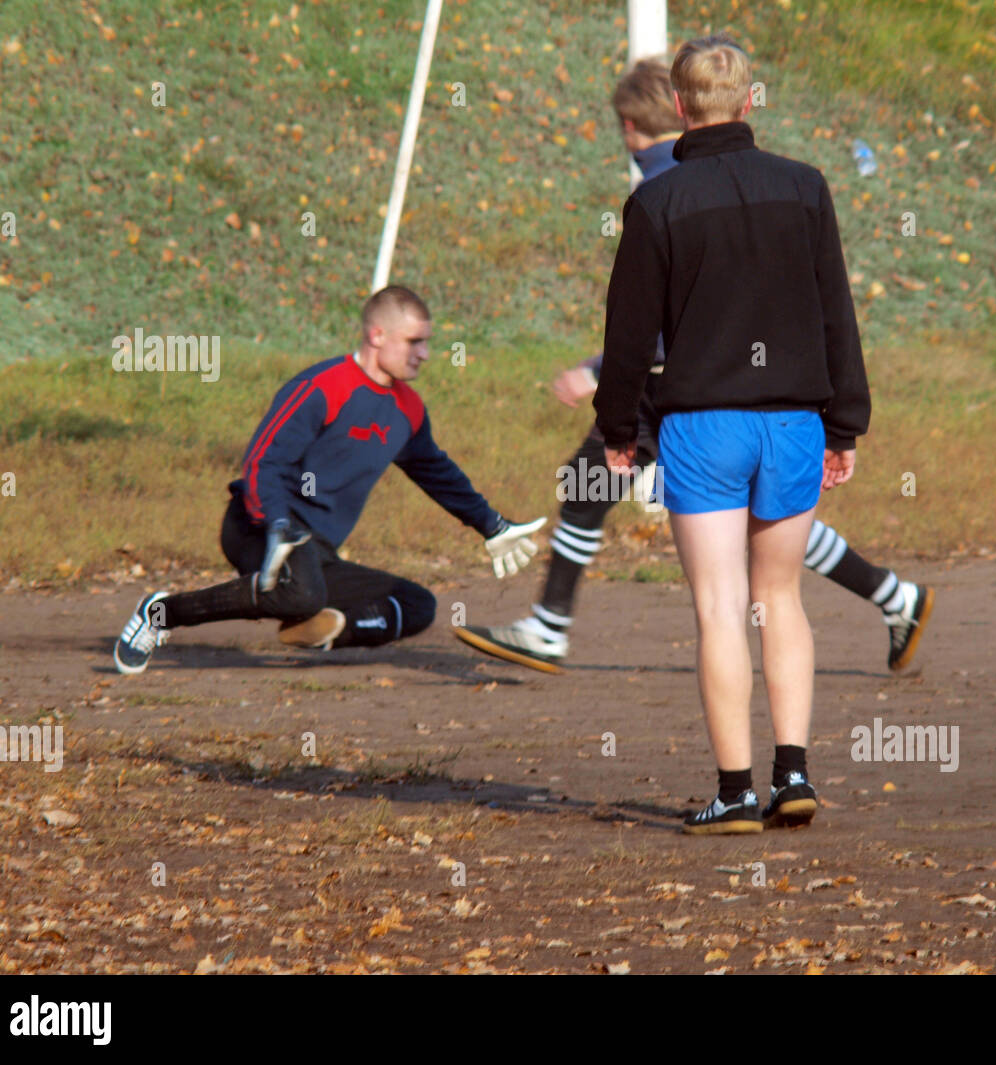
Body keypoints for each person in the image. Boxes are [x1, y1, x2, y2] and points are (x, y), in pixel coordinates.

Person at [453, 56, 932, 680]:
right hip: (746, 394)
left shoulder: (663, 185)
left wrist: (601, 376)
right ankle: (893, 600)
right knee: (753, 521)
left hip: (680, 389)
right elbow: (828, 309)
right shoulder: (783, 183)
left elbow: (655, 314)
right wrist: (846, 421)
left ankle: (550, 629)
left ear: (637, 122)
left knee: (606, 490)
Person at [594, 35, 884, 834]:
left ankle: (734, 792)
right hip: (793, 422)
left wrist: (619, 427)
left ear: (680, 108)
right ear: (751, 100)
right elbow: (837, 314)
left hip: (702, 426)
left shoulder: (658, 202)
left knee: (721, 609)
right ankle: (793, 774)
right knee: (780, 598)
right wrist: (845, 422)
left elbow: (629, 333)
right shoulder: (805, 187)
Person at [112, 285, 545, 674]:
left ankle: (326, 627)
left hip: (316, 554)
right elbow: (264, 461)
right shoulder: (322, 386)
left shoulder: (407, 410)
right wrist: (277, 524)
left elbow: (436, 473)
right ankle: (160, 614)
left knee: (417, 605)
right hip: (255, 525)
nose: (425, 353)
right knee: (301, 591)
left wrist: (491, 525)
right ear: (378, 335)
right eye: (415, 341)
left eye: (427, 342)